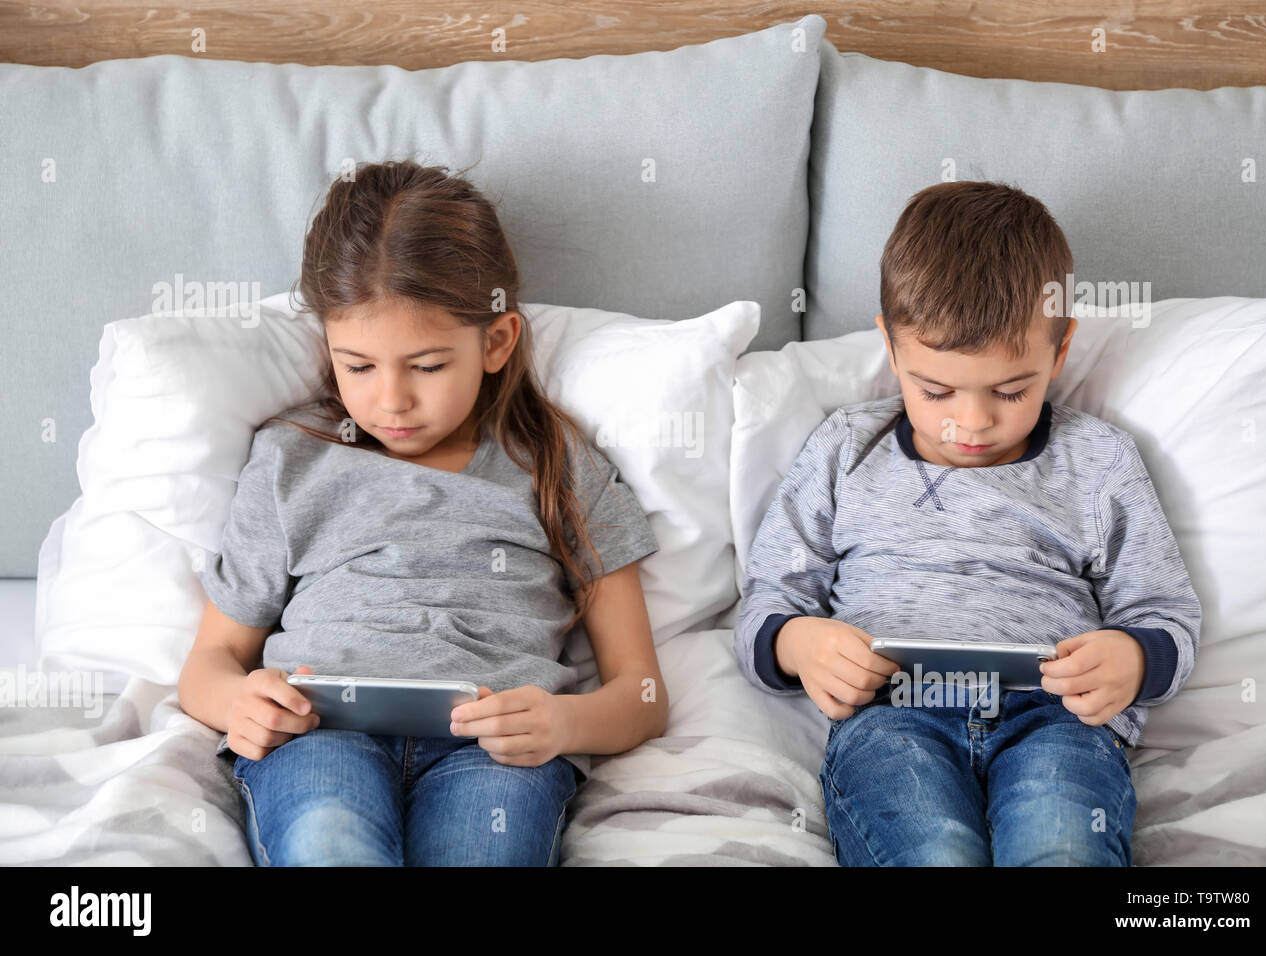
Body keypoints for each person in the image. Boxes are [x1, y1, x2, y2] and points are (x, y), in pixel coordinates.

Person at [178, 159, 666, 866]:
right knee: (328, 845)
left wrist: (564, 722)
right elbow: (209, 663)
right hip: (320, 738)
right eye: (358, 366)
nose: (391, 402)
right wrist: (238, 704)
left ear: (496, 342)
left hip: (491, 753)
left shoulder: (556, 462)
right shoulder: (290, 462)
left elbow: (642, 694)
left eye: (428, 366)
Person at [735, 180, 1201, 866]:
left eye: (1011, 390)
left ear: (1060, 351)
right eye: (935, 390)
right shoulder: (842, 449)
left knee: (1062, 846)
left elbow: (1165, 611)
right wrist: (800, 645)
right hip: (894, 719)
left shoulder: (1099, 460)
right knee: (931, 852)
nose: (973, 421)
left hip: (1057, 721)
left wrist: (1136, 659)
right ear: (891, 350)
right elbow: (766, 602)